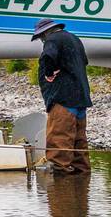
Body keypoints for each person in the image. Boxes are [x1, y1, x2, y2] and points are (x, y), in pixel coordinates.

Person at [31, 17, 92, 173]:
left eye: (40, 37)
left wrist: (49, 73)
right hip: (80, 99)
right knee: (79, 147)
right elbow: (84, 61)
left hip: (63, 100)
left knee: (58, 146)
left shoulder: (52, 40)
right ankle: (81, 189)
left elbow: (47, 57)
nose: (42, 40)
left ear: (45, 33)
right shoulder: (75, 39)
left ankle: (60, 193)